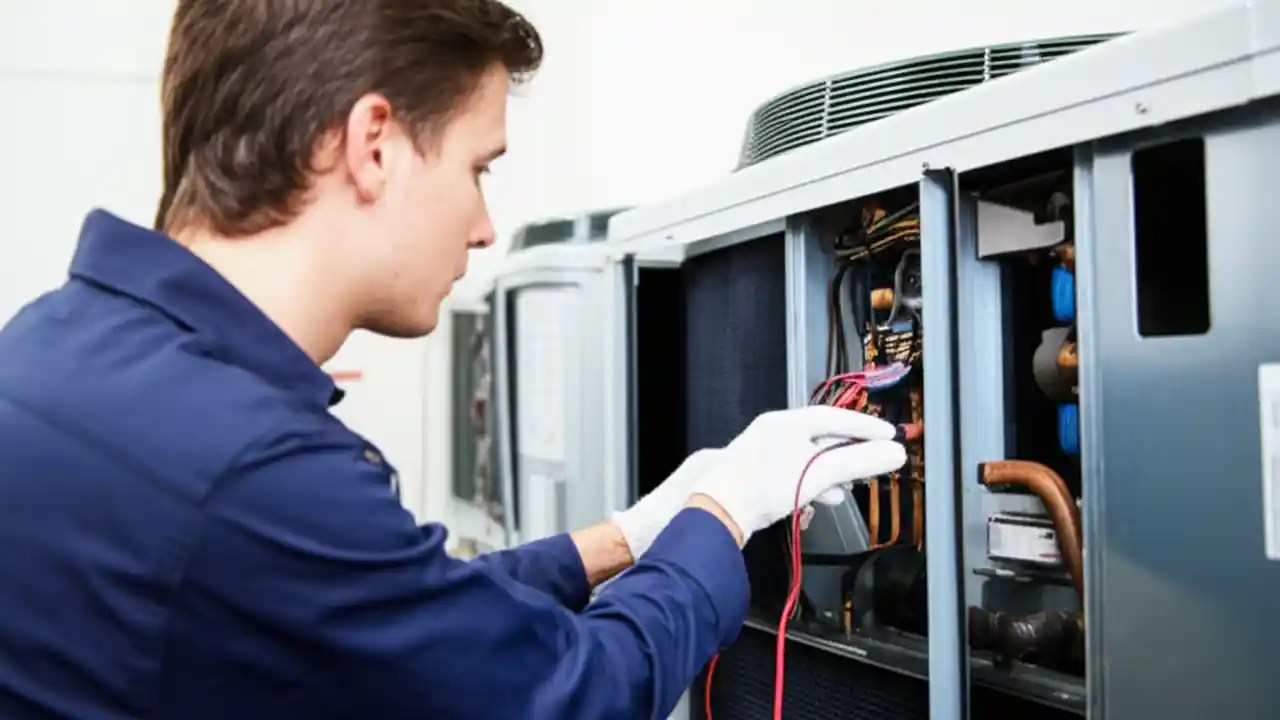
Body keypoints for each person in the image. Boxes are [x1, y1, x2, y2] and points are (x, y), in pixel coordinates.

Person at [0, 1, 906, 718]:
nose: (483, 227)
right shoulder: (250, 463)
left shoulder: (49, 349)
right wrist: (722, 510)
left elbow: (382, 607)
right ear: (373, 144)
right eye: (480, 168)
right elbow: (568, 697)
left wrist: (626, 539)